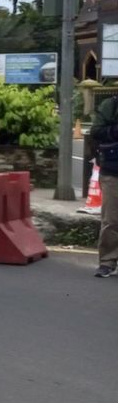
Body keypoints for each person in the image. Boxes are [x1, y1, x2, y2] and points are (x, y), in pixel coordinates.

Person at [89, 93, 118, 276]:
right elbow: (96, 130)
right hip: (112, 171)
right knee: (112, 219)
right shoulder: (111, 105)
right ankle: (107, 261)